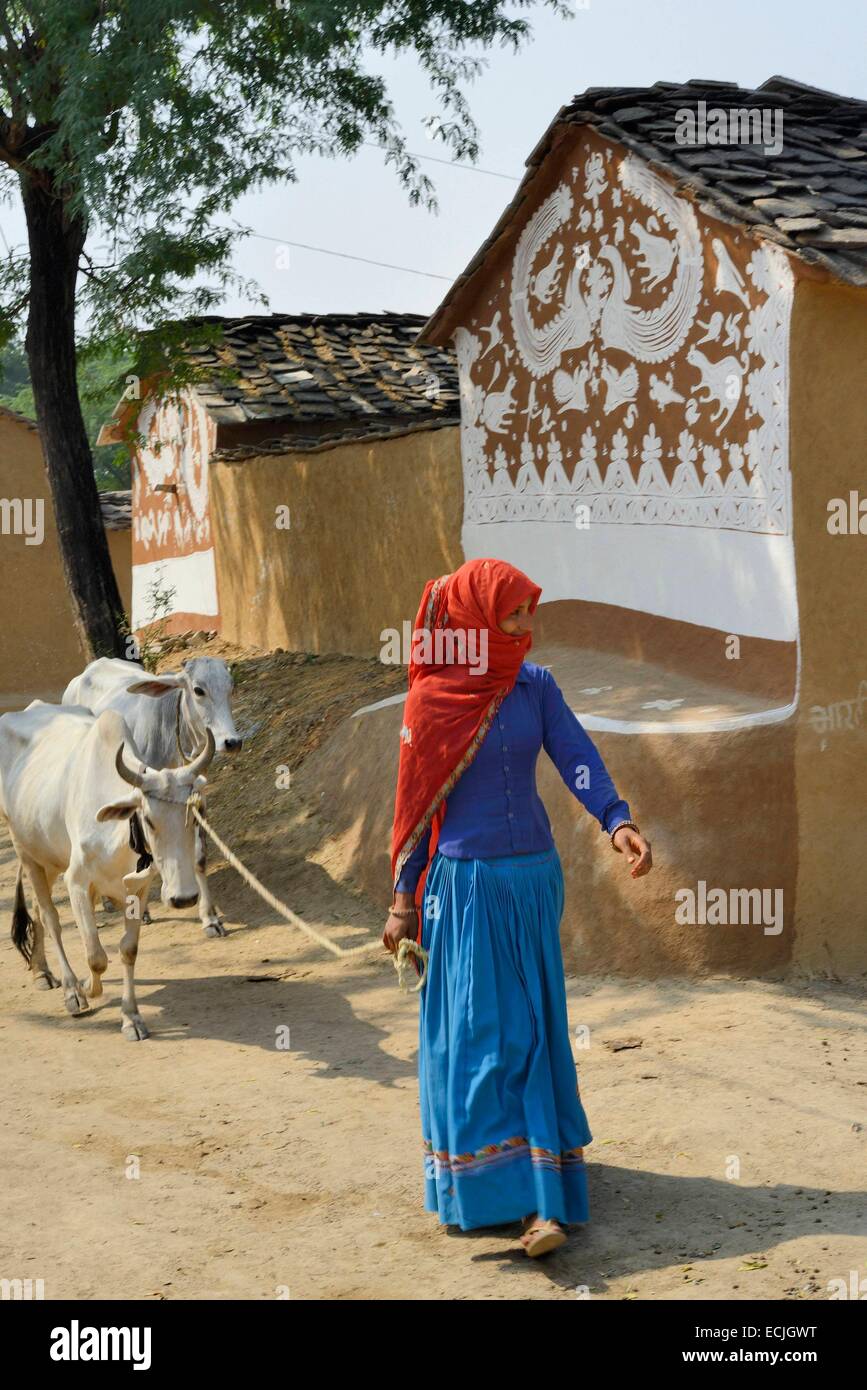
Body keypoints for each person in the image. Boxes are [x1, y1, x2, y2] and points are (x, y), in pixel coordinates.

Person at [383, 557, 652, 1257]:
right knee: (480, 1037)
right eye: (513, 613)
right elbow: (415, 806)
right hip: (462, 892)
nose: (527, 626)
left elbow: (575, 755)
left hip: (529, 882)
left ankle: (538, 1202)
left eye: (530, 612)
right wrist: (401, 902)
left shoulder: (535, 687)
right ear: (474, 616)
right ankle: (486, 1187)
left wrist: (614, 819)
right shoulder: (432, 700)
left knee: (531, 1035)